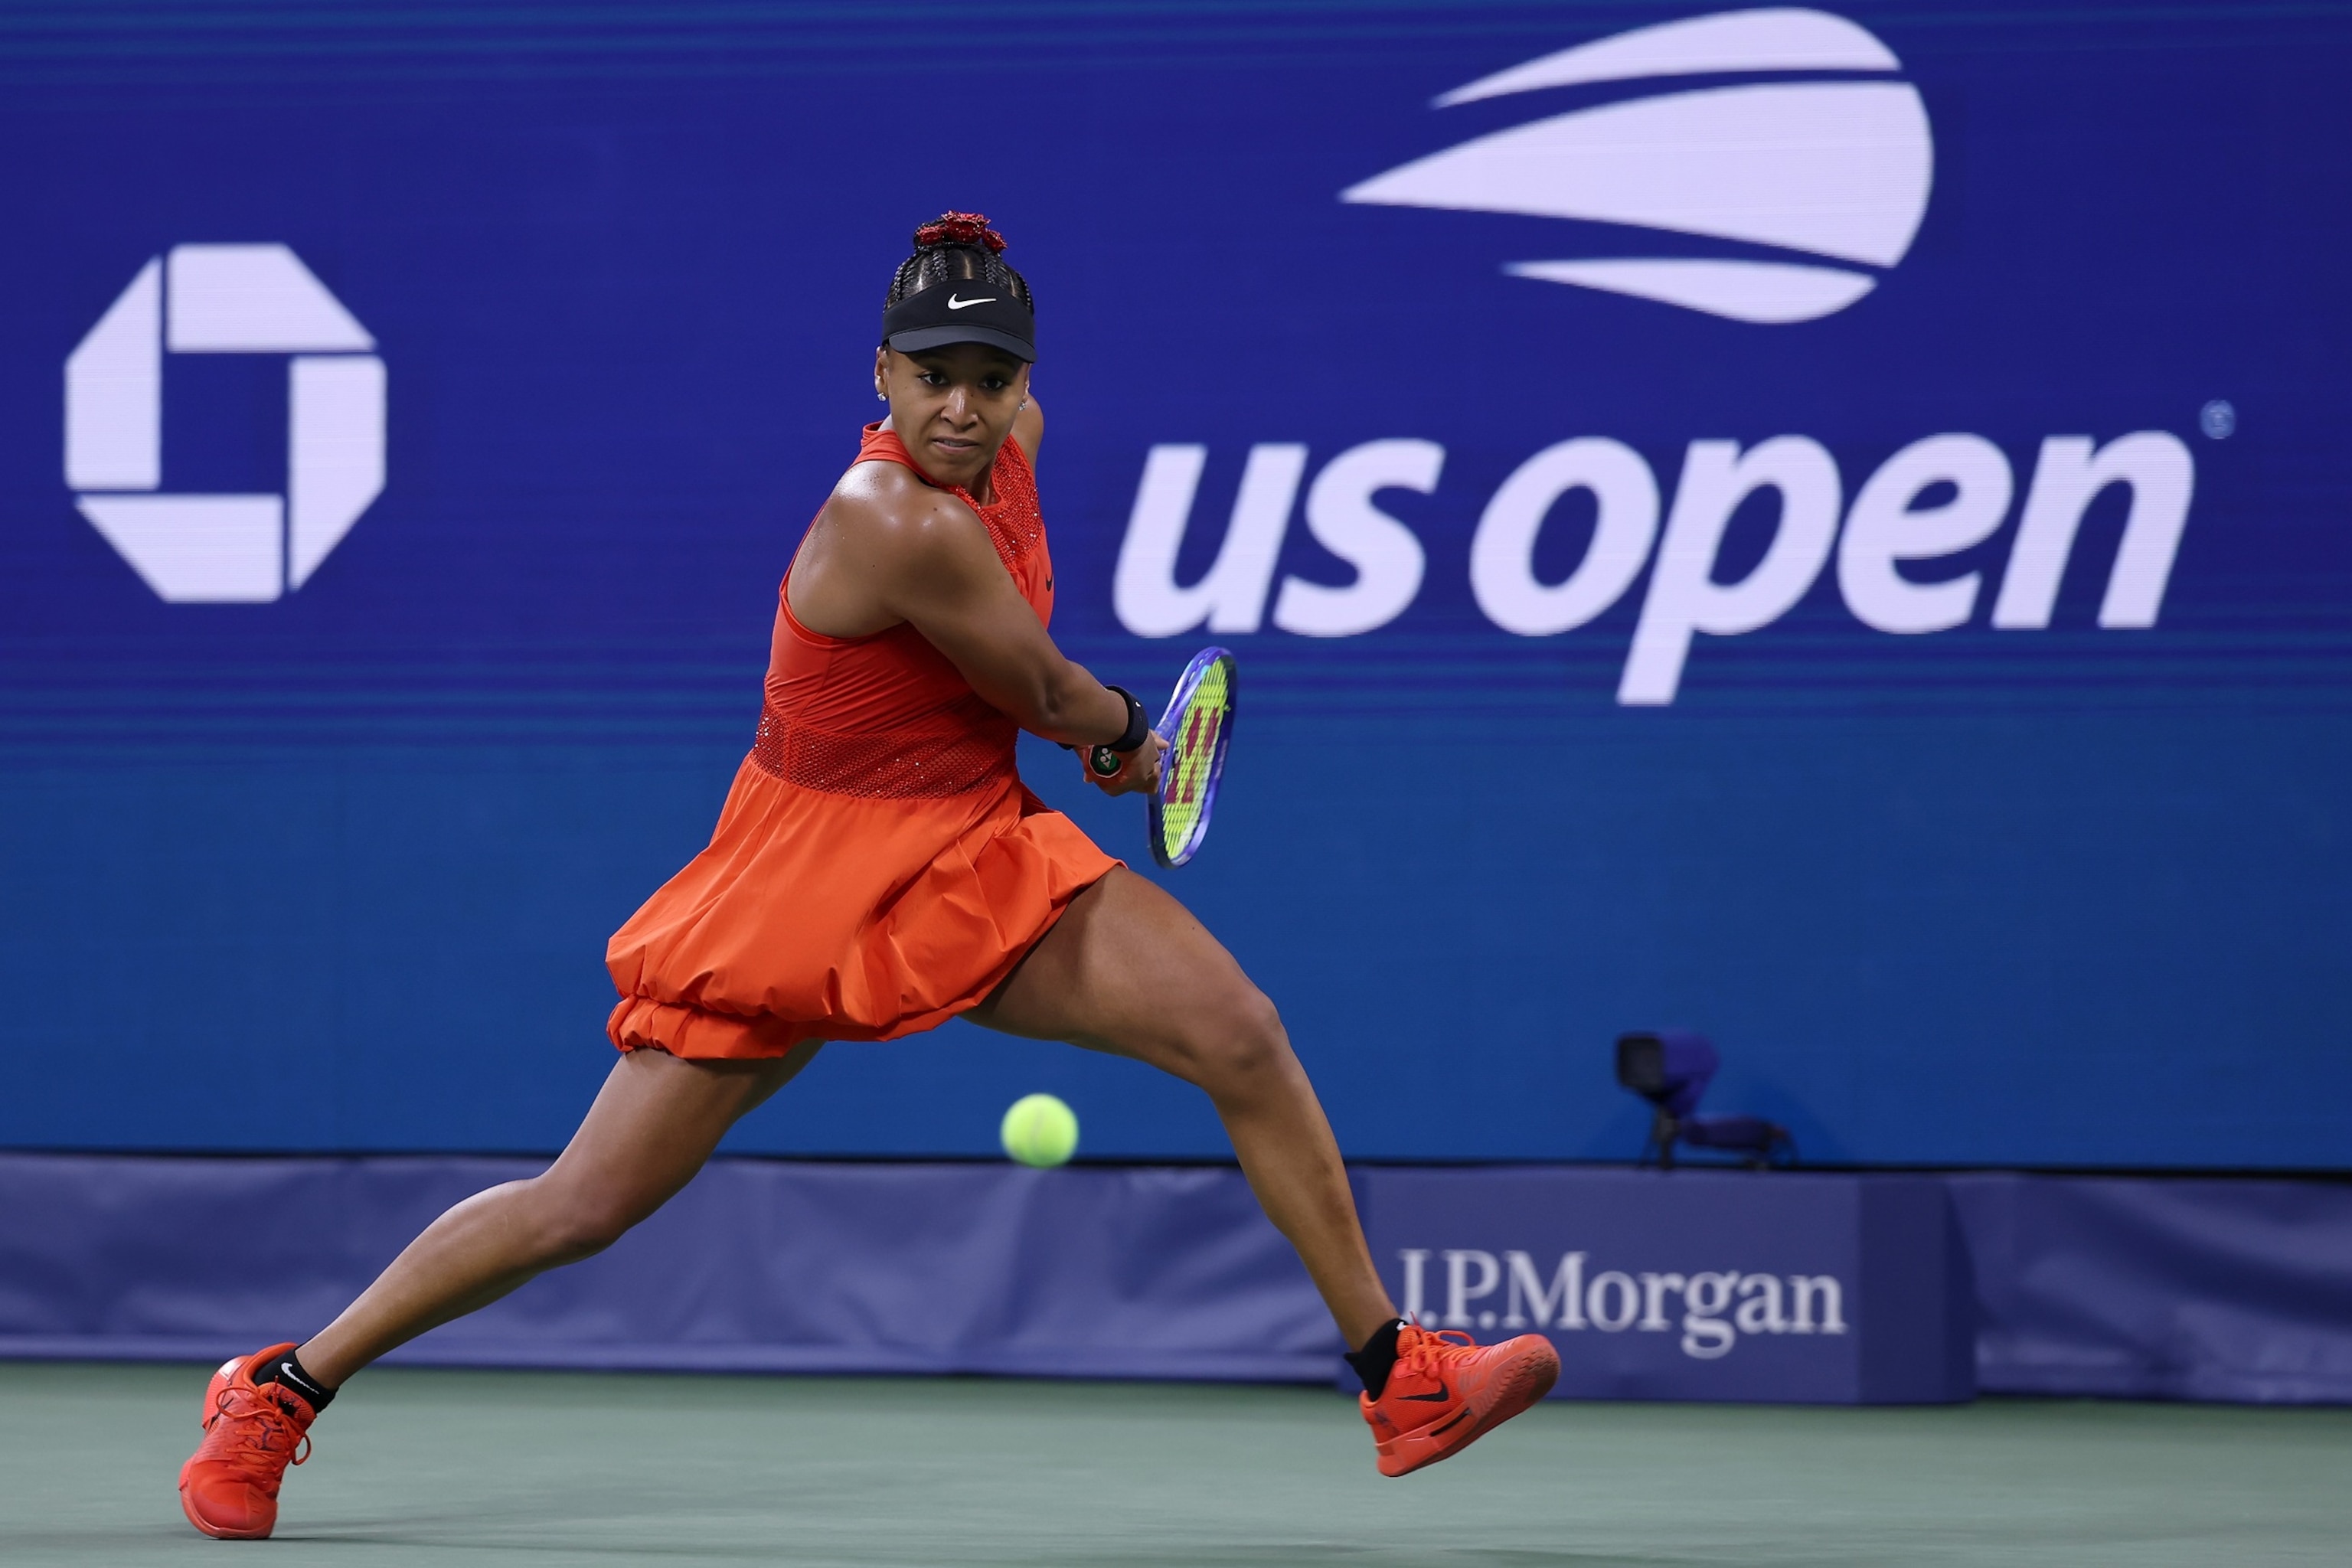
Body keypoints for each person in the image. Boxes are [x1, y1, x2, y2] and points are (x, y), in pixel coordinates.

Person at [177, 211, 1559, 1540]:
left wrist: (1100, 744)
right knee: (583, 1206)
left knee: (1239, 1034)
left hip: (968, 849)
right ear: (879, 372)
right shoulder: (893, 521)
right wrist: (1132, 740)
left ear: (1027, 382)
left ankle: (1400, 1379)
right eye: (931, 377)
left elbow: (1022, 695)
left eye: (990, 377)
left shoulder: (1008, 445)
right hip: (806, 880)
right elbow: (1046, 688)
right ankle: (281, 1388)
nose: (961, 407)